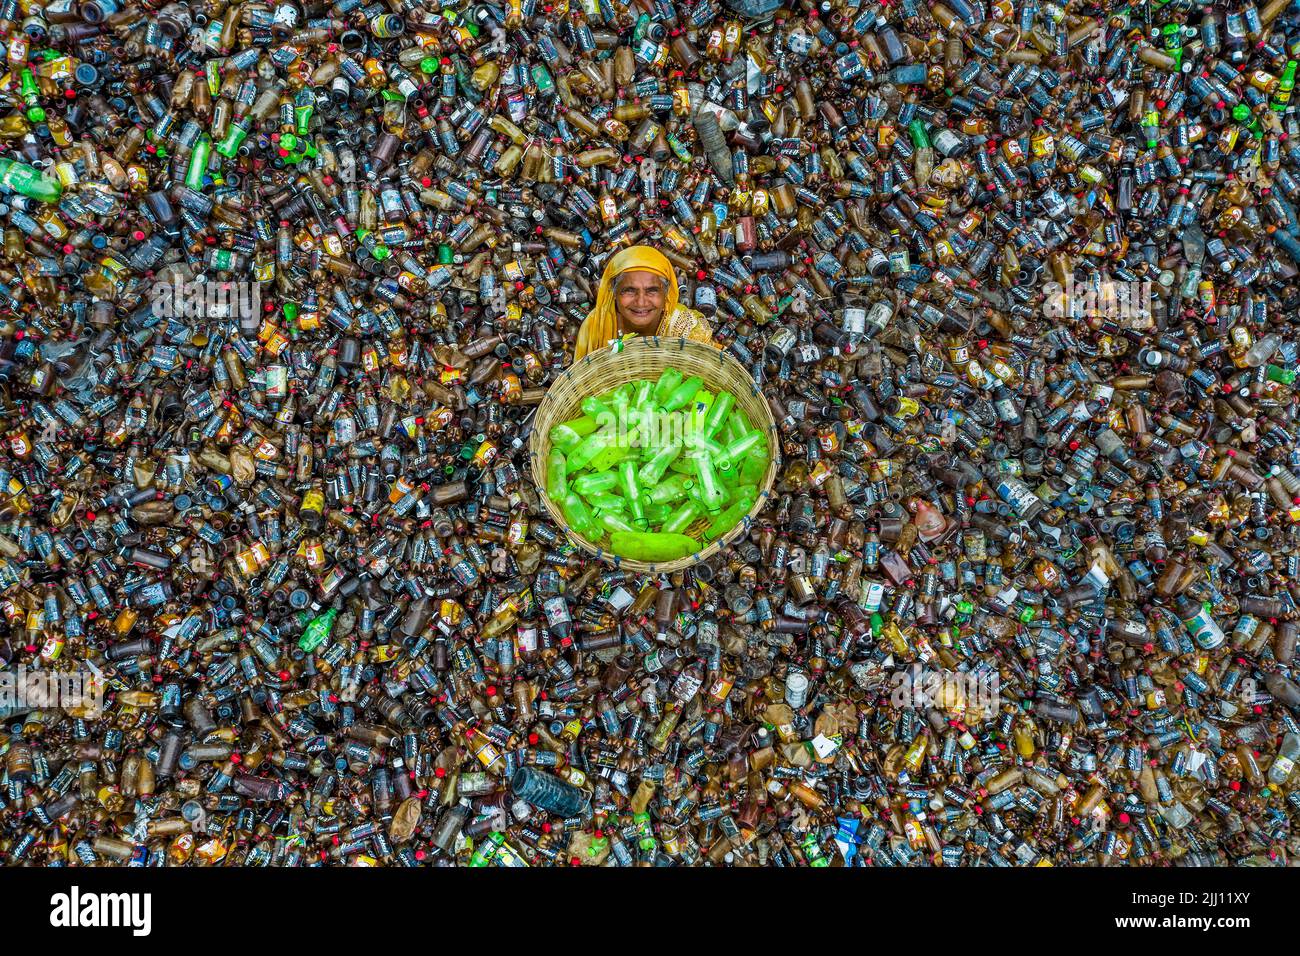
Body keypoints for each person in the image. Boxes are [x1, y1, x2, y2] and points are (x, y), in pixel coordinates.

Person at [572, 245, 717, 362]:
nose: (641, 302)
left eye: (652, 291)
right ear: (614, 292)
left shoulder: (686, 328)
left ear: (666, 293)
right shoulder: (596, 324)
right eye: (629, 290)